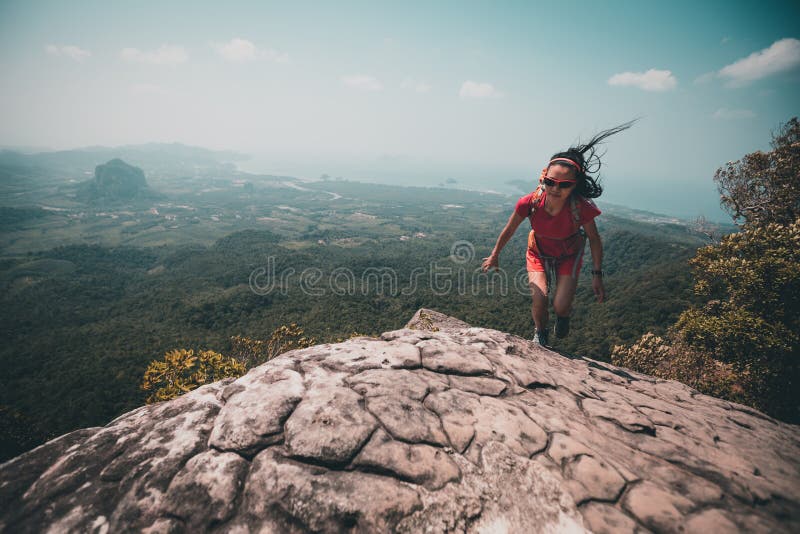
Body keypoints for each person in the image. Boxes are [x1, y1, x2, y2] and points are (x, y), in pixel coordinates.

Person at [481, 121, 635, 346]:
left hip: (568, 255)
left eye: (564, 185)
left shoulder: (581, 207)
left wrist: (597, 274)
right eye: (550, 182)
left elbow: (594, 238)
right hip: (538, 251)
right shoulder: (530, 202)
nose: (555, 188)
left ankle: (563, 316)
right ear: (543, 178)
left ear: (575, 185)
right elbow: (510, 229)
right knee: (539, 298)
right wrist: (495, 254)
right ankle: (540, 333)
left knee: (560, 305)